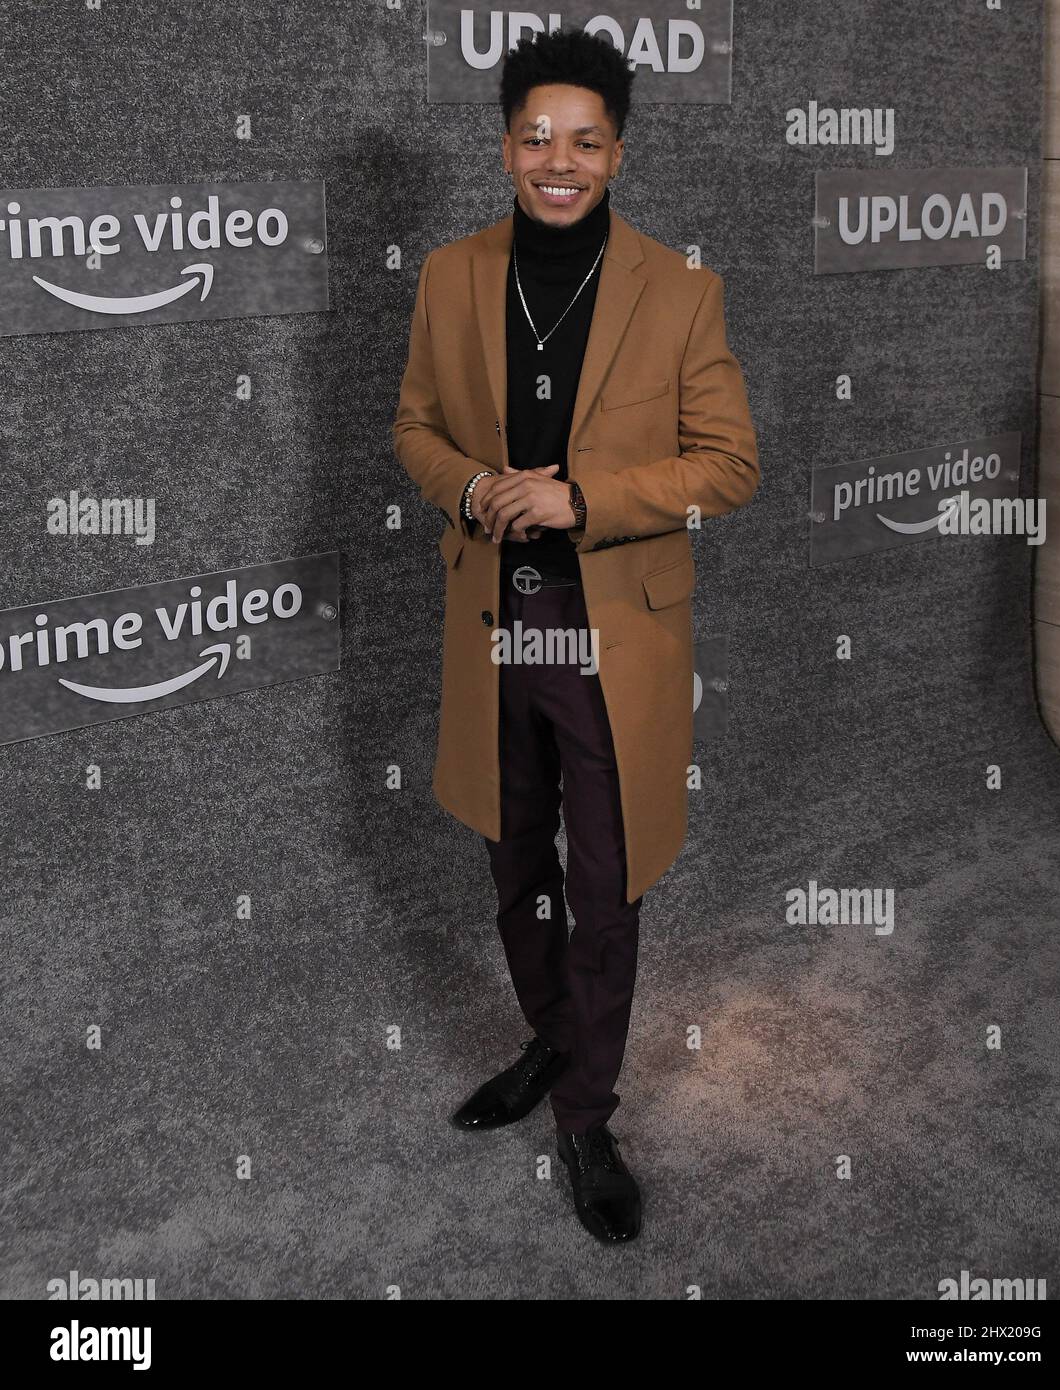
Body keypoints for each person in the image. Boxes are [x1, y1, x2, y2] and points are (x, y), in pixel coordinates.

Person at [392, 26, 760, 1245]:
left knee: (603, 880)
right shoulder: (449, 275)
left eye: (585, 140)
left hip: (612, 634)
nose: (559, 161)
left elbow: (729, 468)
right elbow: (414, 430)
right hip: (493, 620)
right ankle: (550, 1040)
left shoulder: (680, 288)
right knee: (515, 861)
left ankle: (587, 1116)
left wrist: (581, 500)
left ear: (618, 149)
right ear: (503, 144)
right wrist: (469, 487)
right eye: (535, 137)